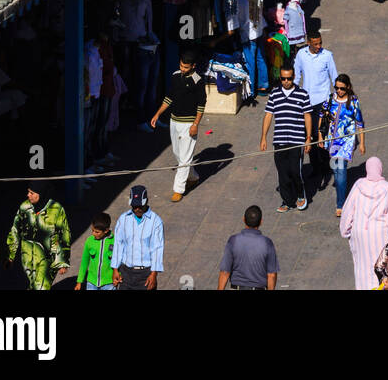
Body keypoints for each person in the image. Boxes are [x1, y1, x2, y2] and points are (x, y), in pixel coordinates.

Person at [150, 44, 206, 201]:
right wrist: (157, 114)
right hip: (174, 121)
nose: (182, 69)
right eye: (181, 65)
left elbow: (201, 105)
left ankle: (178, 189)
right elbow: (169, 98)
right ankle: (193, 177)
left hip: (189, 123)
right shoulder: (175, 76)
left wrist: (195, 124)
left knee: (186, 157)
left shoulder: (198, 81)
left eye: (186, 67)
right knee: (178, 154)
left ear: (193, 66)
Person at [339, 157, 388, 291]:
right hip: (381, 235)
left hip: (360, 233)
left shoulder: (358, 185)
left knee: (362, 268)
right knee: (382, 267)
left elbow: (347, 210)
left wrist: (346, 231)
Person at [260, 68, 313, 212]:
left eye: (289, 78)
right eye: (283, 79)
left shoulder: (302, 94)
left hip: (296, 140)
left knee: (296, 171)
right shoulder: (275, 94)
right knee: (282, 173)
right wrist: (263, 137)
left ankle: (301, 195)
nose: (286, 82)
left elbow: (307, 116)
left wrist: (308, 138)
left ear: (294, 77)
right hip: (280, 140)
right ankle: (287, 201)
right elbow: (268, 115)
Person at [294, 30, 338, 191]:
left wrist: (337, 98)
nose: (319, 46)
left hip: (324, 100)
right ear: (308, 43)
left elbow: (334, 76)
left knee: (323, 133)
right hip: (307, 101)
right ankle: (315, 166)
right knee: (310, 135)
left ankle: (326, 165)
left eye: (320, 43)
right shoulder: (301, 55)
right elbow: (296, 76)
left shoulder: (327, 56)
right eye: (315, 44)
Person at [6, 182, 70, 291]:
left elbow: (64, 234)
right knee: (33, 286)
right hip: (27, 257)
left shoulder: (56, 209)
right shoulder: (24, 207)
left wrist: (62, 260)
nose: (28, 195)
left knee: (41, 286)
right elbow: (15, 231)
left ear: (41, 193)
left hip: (48, 258)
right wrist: (10, 255)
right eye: (28, 192)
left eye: (32, 193)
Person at [318, 74, 365, 216]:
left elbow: (360, 124)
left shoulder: (354, 102)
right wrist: (320, 136)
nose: (339, 91)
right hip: (332, 140)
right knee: (336, 169)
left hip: (347, 141)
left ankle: (340, 204)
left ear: (348, 87)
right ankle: (341, 194)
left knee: (341, 171)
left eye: (342, 88)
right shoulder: (330, 99)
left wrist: (362, 143)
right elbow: (321, 116)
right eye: (337, 88)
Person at [111, 185, 164, 291]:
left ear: (147, 201)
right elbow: (118, 244)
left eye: (140, 206)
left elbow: (157, 249)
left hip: (145, 274)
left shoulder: (156, 221)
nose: (137, 209)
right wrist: (115, 269)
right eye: (134, 206)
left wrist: (153, 274)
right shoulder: (123, 219)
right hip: (126, 273)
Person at [218, 205, 279, 291]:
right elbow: (272, 275)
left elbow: (225, 272)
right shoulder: (267, 243)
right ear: (261, 222)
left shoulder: (233, 240)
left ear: (244, 220)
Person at [75, 212, 115, 291]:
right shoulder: (89, 241)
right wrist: (79, 282)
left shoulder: (115, 241)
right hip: (91, 283)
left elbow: (119, 261)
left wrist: (118, 276)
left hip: (109, 283)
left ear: (106, 230)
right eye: (92, 230)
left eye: (97, 232)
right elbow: (84, 262)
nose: (93, 234)